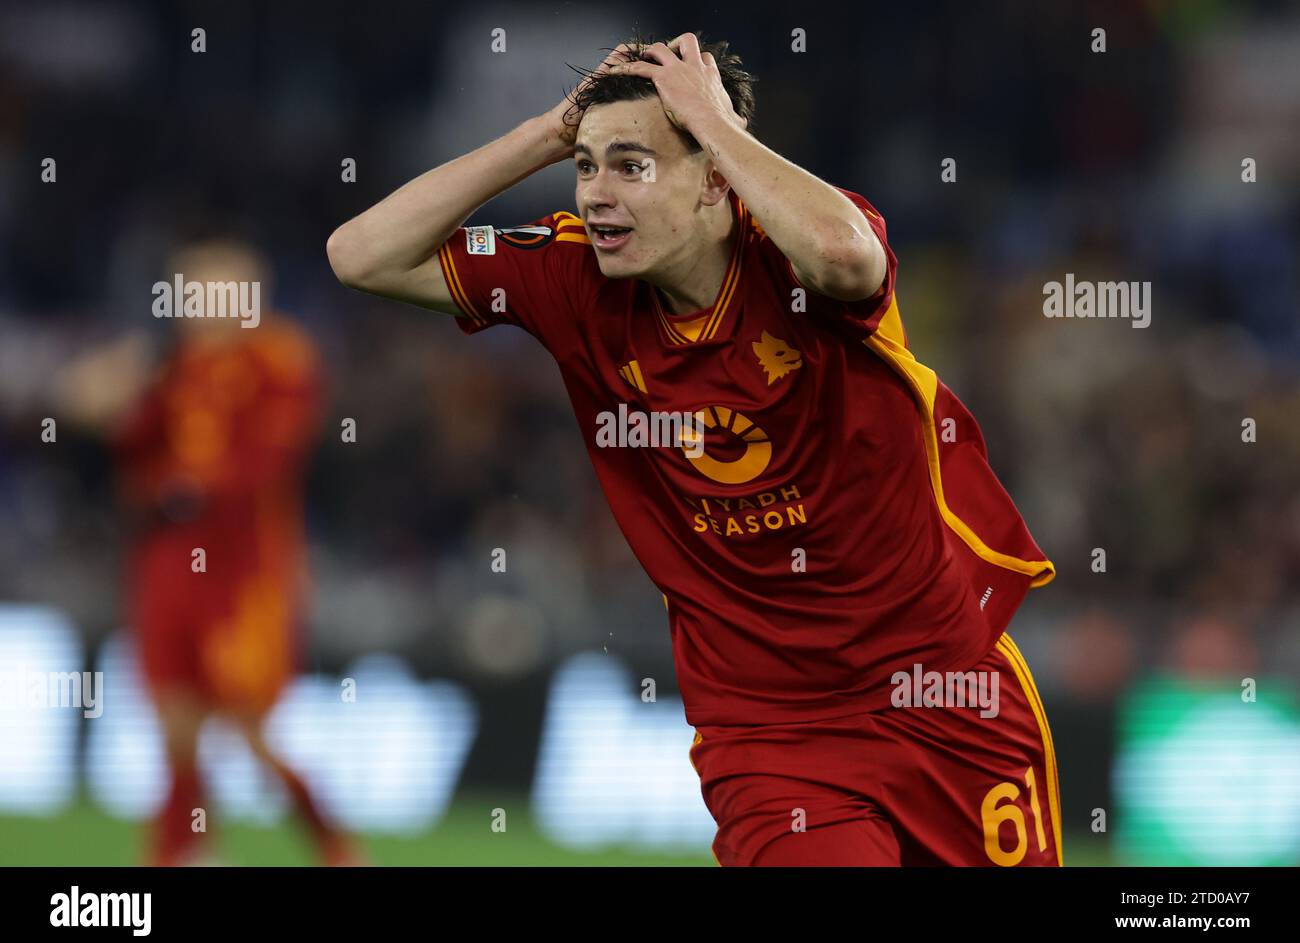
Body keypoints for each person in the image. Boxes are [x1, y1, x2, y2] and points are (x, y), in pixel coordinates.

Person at [327, 34, 1059, 866]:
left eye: (631, 167)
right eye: (587, 167)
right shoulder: (572, 275)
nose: (596, 195)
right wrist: (542, 135)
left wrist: (713, 123)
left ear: (715, 176)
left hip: (947, 690)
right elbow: (361, 255)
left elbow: (845, 257)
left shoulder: (795, 252)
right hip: (772, 734)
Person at [66, 239, 356, 865]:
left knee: (252, 728)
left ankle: (337, 850)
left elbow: (270, 458)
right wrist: (109, 399)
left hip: (244, 567)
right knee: (174, 721)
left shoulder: (279, 358)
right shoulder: (172, 366)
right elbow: (128, 442)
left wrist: (186, 484)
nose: (195, 306)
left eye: (208, 291)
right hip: (169, 562)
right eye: (187, 293)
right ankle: (182, 853)